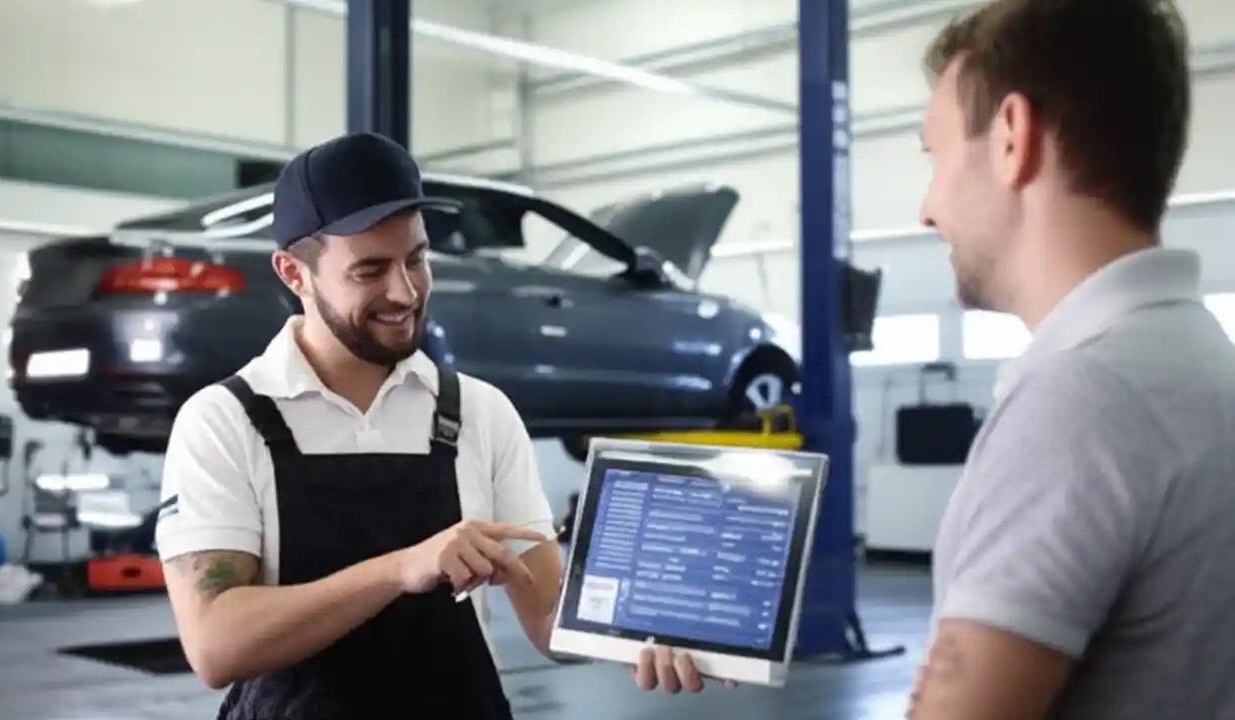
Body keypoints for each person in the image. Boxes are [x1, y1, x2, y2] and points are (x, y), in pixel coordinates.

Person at [634, 1, 1235, 717]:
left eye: (936, 155)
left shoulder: (1079, 404)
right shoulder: (1200, 361)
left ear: (1011, 137)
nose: (926, 208)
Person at [155, 132, 563, 719]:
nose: (405, 291)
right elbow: (216, 645)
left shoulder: (480, 412)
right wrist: (400, 569)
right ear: (294, 274)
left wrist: (643, 634)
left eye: (416, 259)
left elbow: (550, 617)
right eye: (369, 270)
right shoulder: (224, 422)